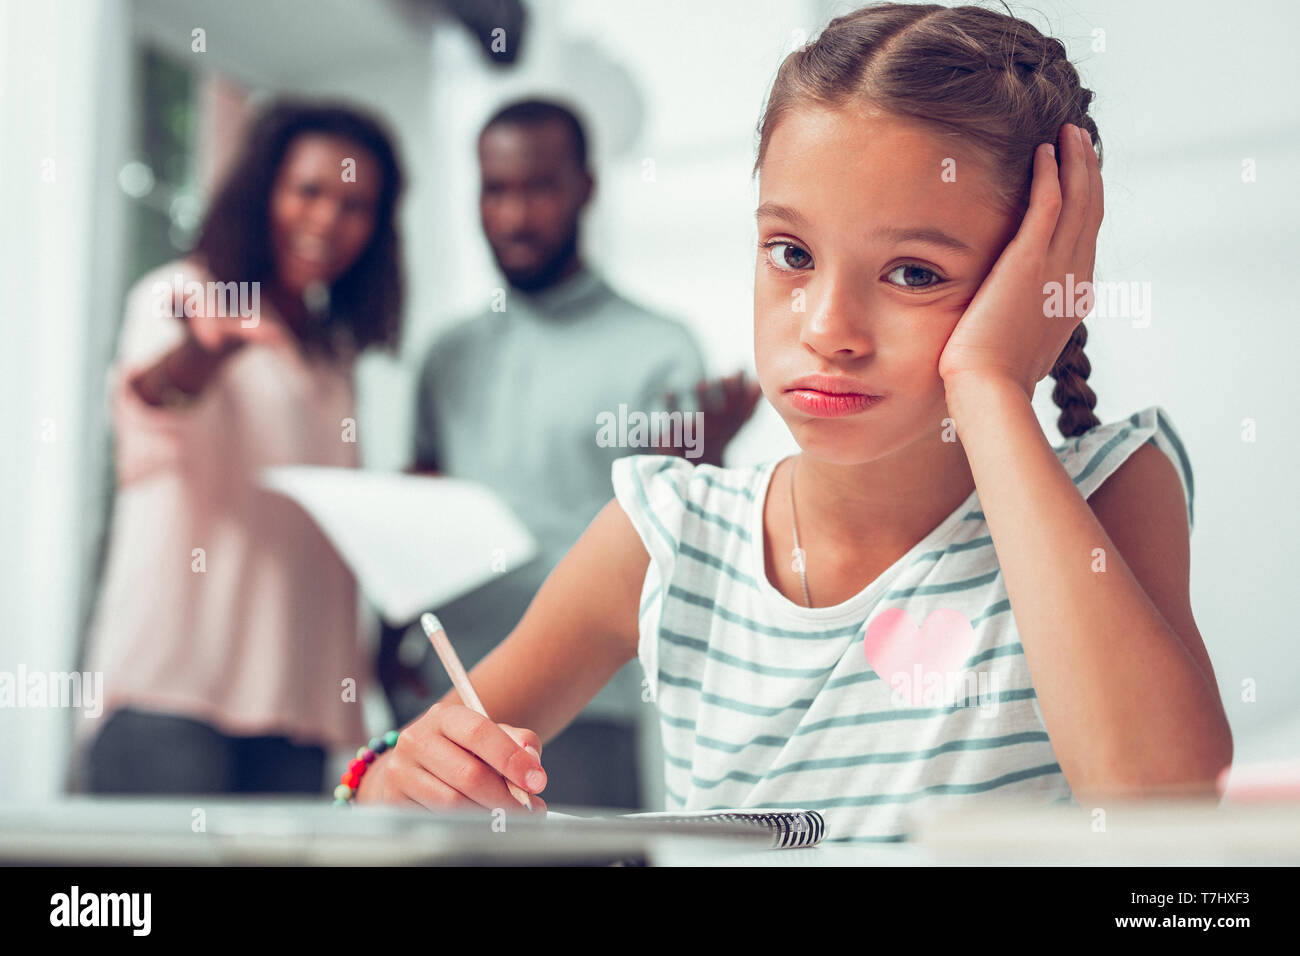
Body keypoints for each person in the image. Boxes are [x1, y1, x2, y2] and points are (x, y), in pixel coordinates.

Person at [354, 2, 1231, 842]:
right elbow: (388, 786)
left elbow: (1163, 807)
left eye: (914, 273)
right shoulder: (670, 536)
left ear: (1034, 279)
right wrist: (395, 781)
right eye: (793, 254)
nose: (826, 328)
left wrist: (990, 384)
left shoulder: (1111, 492)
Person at [378, 98, 759, 809]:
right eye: (496, 190)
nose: (515, 216)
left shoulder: (659, 347)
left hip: (586, 705)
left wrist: (703, 460)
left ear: (586, 188)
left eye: (539, 188)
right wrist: (385, 643)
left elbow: (686, 538)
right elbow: (421, 510)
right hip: (441, 701)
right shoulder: (447, 354)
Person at [80, 101, 406, 795]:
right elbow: (153, 401)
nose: (327, 220)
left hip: (294, 709)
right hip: (172, 691)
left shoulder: (333, 356)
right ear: (263, 193)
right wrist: (201, 355)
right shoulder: (182, 295)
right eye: (308, 191)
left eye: (355, 205)